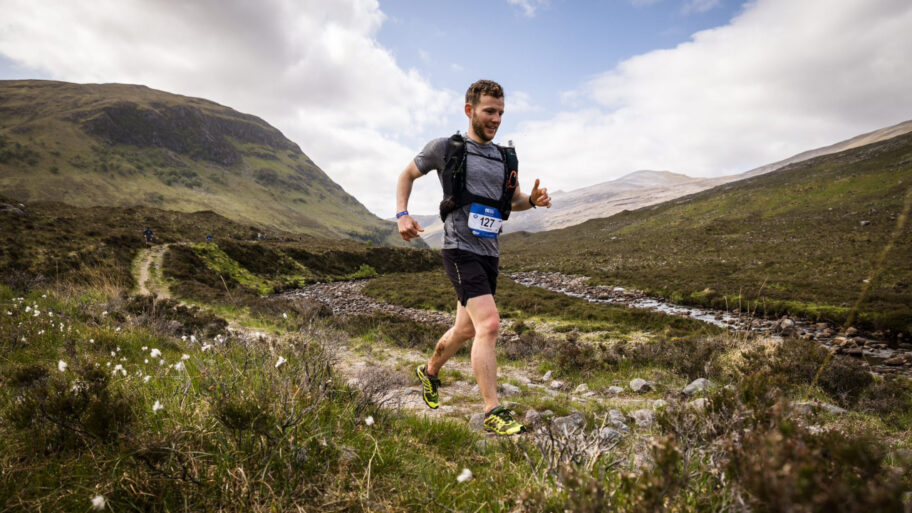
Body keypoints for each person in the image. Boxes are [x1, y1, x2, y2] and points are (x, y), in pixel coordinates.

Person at [396, 79, 552, 435]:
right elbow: (407, 175)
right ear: (470, 110)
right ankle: (492, 410)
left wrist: (532, 201)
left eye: (501, 113)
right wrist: (402, 214)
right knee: (490, 325)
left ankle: (429, 371)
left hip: (489, 252)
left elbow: (511, 201)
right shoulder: (445, 148)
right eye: (489, 111)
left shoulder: (504, 158)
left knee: (466, 328)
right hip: (458, 249)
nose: (496, 119)